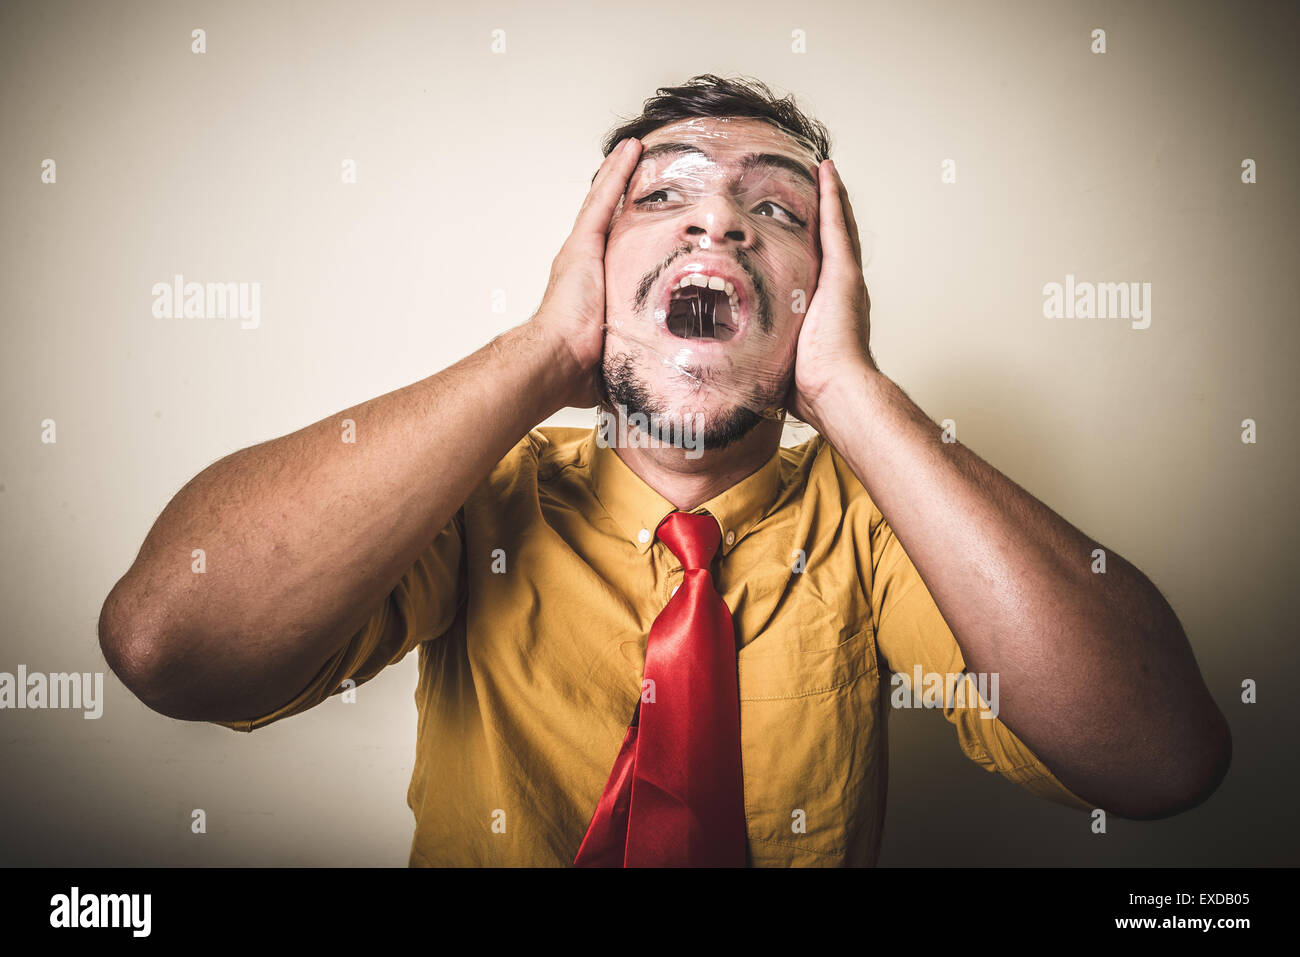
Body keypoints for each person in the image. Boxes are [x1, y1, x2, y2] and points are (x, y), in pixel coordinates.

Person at [98, 74, 1231, 867]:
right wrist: (540, 354)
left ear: (822, 288)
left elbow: (1162, 758)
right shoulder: (479, 499)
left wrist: (849, 392)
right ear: (592, 260)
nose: (720, 225)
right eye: (662, 196)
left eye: (775, 208)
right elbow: (169, 646)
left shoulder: (881, 523)